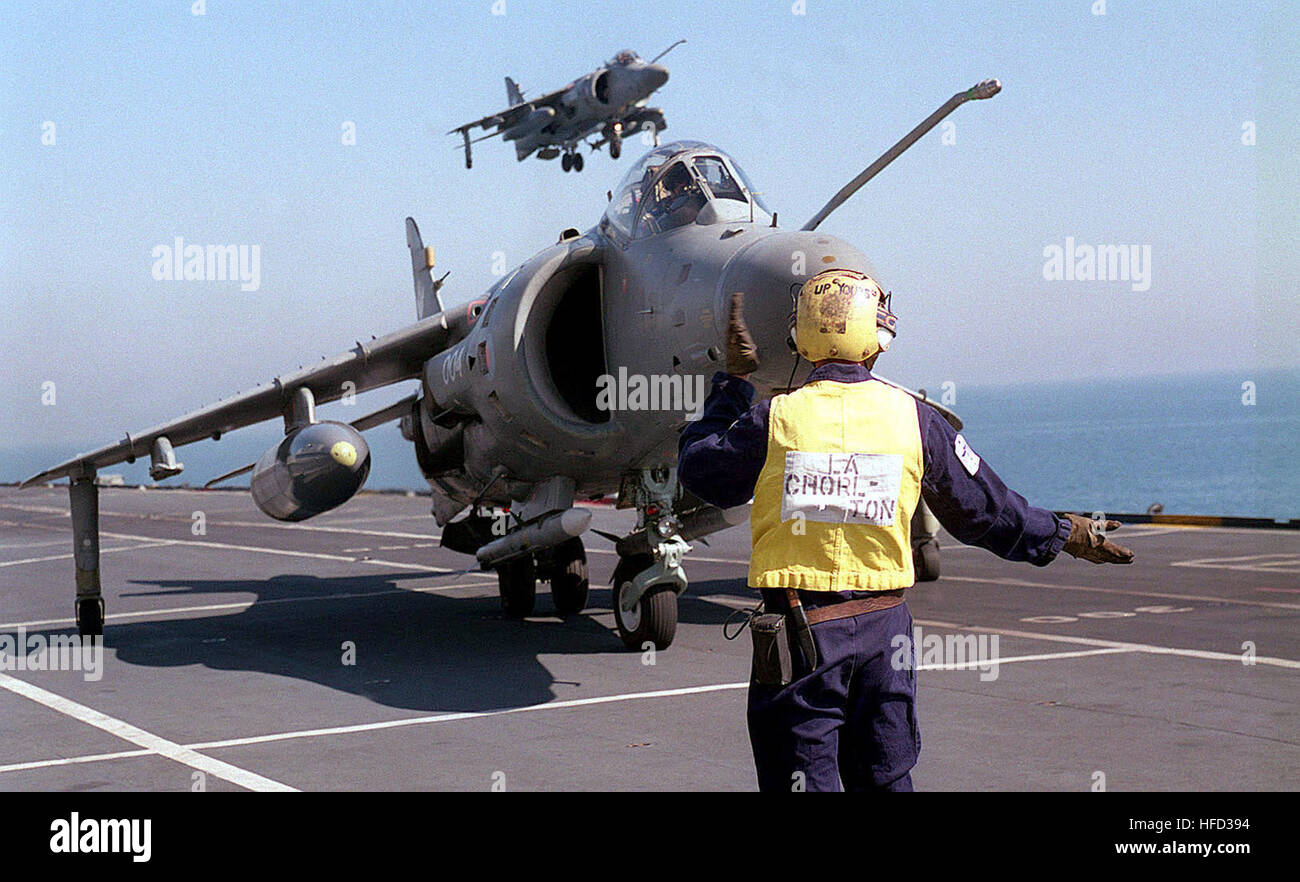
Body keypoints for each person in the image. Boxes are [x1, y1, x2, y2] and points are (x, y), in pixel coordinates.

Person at [677, 269, 1134, 792]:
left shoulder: (774, 419)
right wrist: (1064, 534)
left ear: (800, 336)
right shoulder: (915, 418)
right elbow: (987, 511)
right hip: (885, 633)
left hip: (803, 638)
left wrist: (733, 383)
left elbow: (701, 471)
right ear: (877, 337)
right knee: (888, 778)